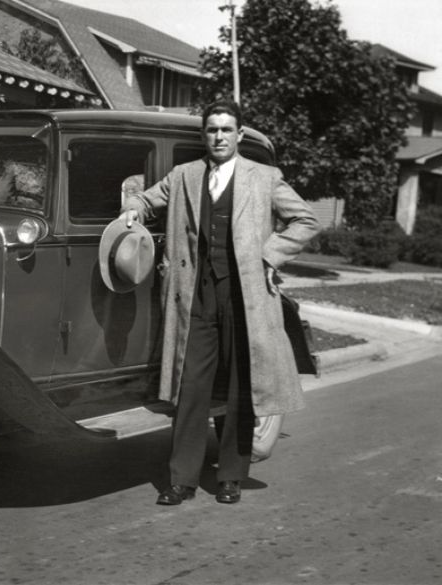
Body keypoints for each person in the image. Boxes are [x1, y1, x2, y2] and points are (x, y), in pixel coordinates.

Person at [120, 100, 320, 505]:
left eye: (227, 130)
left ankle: (230, 476)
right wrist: (131, 210)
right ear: (203, 134)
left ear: (240, 135)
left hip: (245, 299)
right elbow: (145, 201)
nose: (219, 137)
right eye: (212, 130)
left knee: (238, 388)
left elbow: (306, 220)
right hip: (195, 296)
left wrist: (271, 254)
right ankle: (182, 480)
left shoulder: (264, 178)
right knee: (190, 386)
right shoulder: (183, 176)